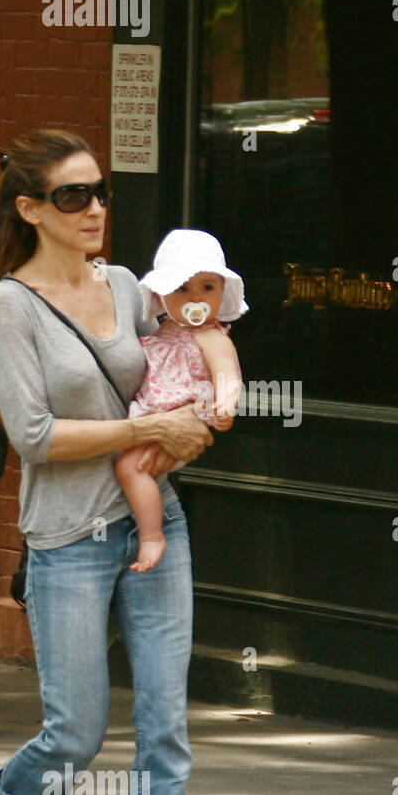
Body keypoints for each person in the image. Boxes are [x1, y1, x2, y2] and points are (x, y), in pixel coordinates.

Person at [0, 128, 227, 795]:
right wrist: (147, 425)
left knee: (166, 722)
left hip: (154, 523)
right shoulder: (8, 305)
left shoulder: (133, 287)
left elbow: (183, 354)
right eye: (73, 196)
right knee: (74, 734)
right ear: (30, 209)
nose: (95, 208)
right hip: (67, 535)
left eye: (100, 191)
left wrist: (200, 411)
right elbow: (32, 436)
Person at [114, 229, 246, 572]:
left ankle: (152, 535)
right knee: (129, 461)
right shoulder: (163, 330)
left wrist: (226, 406)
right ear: (162, 293)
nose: (195, 299)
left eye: (207, 287)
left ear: (221, 291)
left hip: (181, 417)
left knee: (130, 467)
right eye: (182, 289)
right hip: (155, 415)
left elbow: (228, 374)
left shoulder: (211, 336)